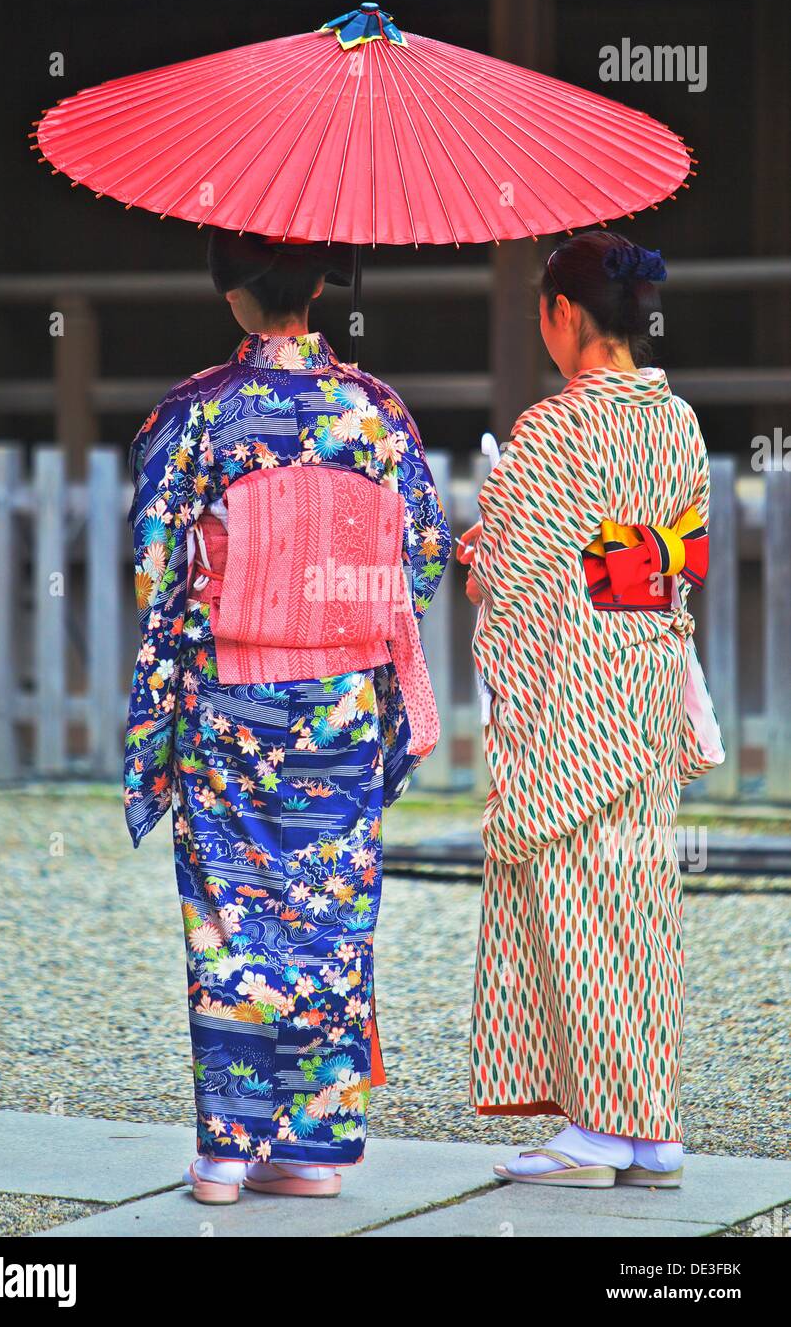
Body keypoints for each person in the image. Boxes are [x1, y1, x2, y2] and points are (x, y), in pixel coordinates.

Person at [123, 226, 450, 1202]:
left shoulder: (197, 416)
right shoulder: (375, 413)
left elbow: (154, 564)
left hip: (231, 700)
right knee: (329, 910)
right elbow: (422, 559)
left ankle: (227, 1148)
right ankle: (310, 1148)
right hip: (342, 704)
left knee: (228, 912)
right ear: (319, 285)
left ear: (229, 290)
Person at [461, 230, 715, 1188]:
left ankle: (601, 1131)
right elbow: (674, 557)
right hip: (645, 683)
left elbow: (518, 585)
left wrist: (483, 556)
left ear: (564, 315)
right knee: (640, 910)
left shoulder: (549, 432)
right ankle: (653, 1126)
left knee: (574, 908)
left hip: (570, 699)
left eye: (543, 311)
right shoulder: (679, 424)